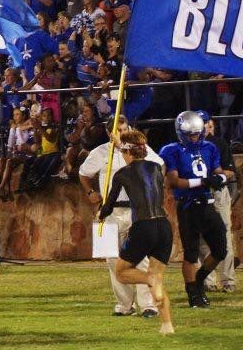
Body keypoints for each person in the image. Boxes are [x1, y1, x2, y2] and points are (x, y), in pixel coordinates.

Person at [79, 116, 163, 318]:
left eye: (125, 128)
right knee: (112, 260)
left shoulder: (140, 150)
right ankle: (124, 305)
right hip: (109, 211)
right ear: (110, 133)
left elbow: (159, 165)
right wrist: (90, 192)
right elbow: (83, 173)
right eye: (119, 130)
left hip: (136, 210)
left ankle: (148, 305)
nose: (123, 133)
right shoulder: (100, 152)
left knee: (141, 257)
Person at [98, 130, 174, 335]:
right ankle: (167, 325)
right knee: (157, 276)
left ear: (127, 151)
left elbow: (109, 205)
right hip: (164, 227)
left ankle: (148, 280)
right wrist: (121, 144)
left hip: (143, 227)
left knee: (122, 273)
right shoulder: (157, 168)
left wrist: (100, 214)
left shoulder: (122, 174)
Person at [160, 111, 234, 308]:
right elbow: (175, 181)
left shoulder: (210, 147)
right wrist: (203, 181)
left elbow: (219, 172)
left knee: (220, 249)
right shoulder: (171, 150)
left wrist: (221, 178)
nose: (194, 137)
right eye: (190, 134)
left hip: (208, 202)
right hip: (187, 205)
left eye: (197, 133)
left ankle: (198, 280)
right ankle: (193, 294)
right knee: (191, 253)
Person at [197, 110, 238, 293]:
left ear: (209, 124)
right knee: (203, 238)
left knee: (224, 236)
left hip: (218, 192)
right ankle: (208, 280)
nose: (203, 126)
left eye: (205, 122)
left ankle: (228, 280)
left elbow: (230, 172)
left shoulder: (218, 144)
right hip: (199, 193)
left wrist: (215, 175)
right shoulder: (190, 146)